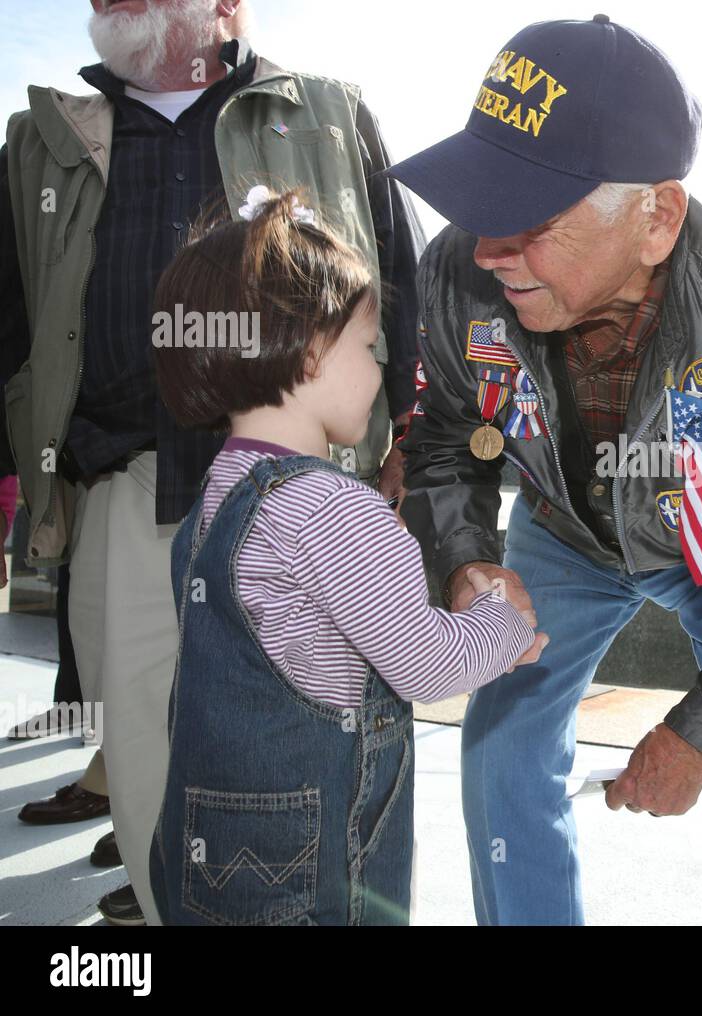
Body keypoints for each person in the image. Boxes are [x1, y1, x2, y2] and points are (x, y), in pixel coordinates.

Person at [392, 16, 702, 925]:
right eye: (478, 202)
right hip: (562, 529)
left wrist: (697, 735)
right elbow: (447, 435)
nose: (489, 250)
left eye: (529, 217)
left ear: (655, 218)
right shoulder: (455, 273)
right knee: (499, 742)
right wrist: (463, 557)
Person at [0, 0, 422, 926]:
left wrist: (412, 457)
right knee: (146, 762)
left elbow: (402, 282)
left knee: (320, 757)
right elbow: (12, 321)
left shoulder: (333, 112)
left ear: (226, 5)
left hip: (310, 497)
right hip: (119, 482)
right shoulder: (36, 140)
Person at [147, 189, 543, 925]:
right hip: (305, 868)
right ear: (308, 352)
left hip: (207, 851)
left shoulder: (218, 492)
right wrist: (503, 623)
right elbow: (428, 666)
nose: (380, 366)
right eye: (367, 347)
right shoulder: (334, 509)